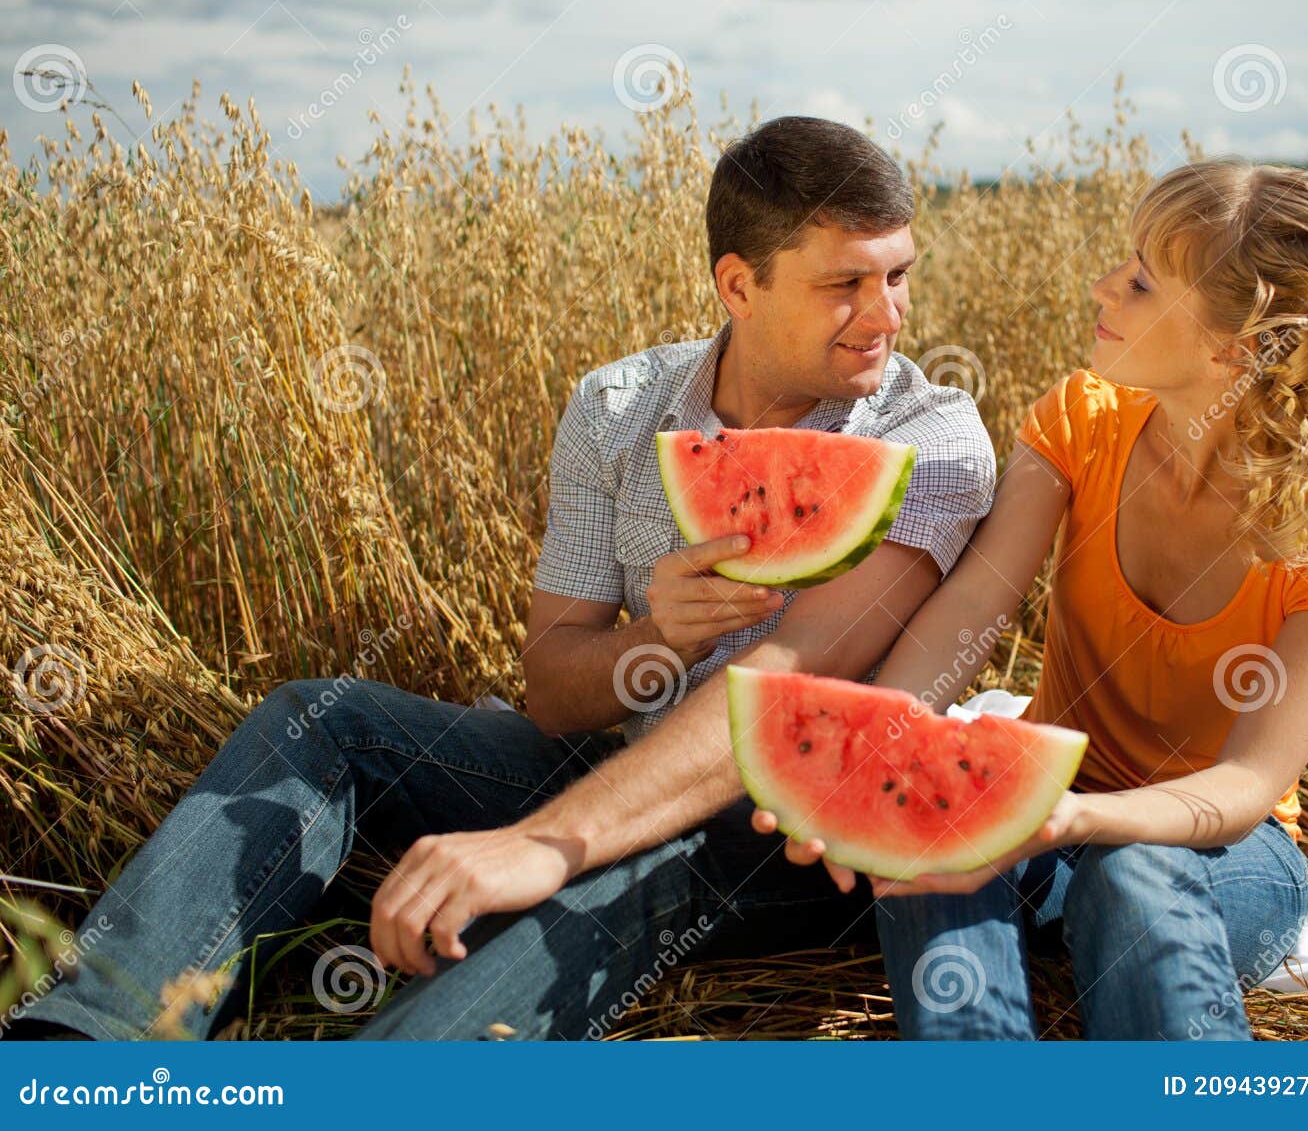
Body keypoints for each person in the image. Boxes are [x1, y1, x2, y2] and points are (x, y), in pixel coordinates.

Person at [4, 115, 995, 1041]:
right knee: (322, 718)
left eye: (900, 275)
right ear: (738, 285)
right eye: (845, 285)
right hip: (609, 761)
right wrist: (657, 641)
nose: (887, 316)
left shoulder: (929, 438)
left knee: (629, 863)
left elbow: (786, 685)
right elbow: (553, 690)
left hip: (785, 828)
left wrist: (548, 843)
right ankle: (89, 1039)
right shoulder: (616, 407)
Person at [756, 158, 1308, 1040]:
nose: (1104, 285)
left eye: (1144, 281)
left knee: (1134, 870)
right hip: (1060, 812)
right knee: (925, 837)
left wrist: (1074, 817)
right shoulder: (1083, 420)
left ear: (1235, 345)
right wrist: (876, 753)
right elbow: (972, 611)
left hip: (1224, 853)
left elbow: (1249, 785)